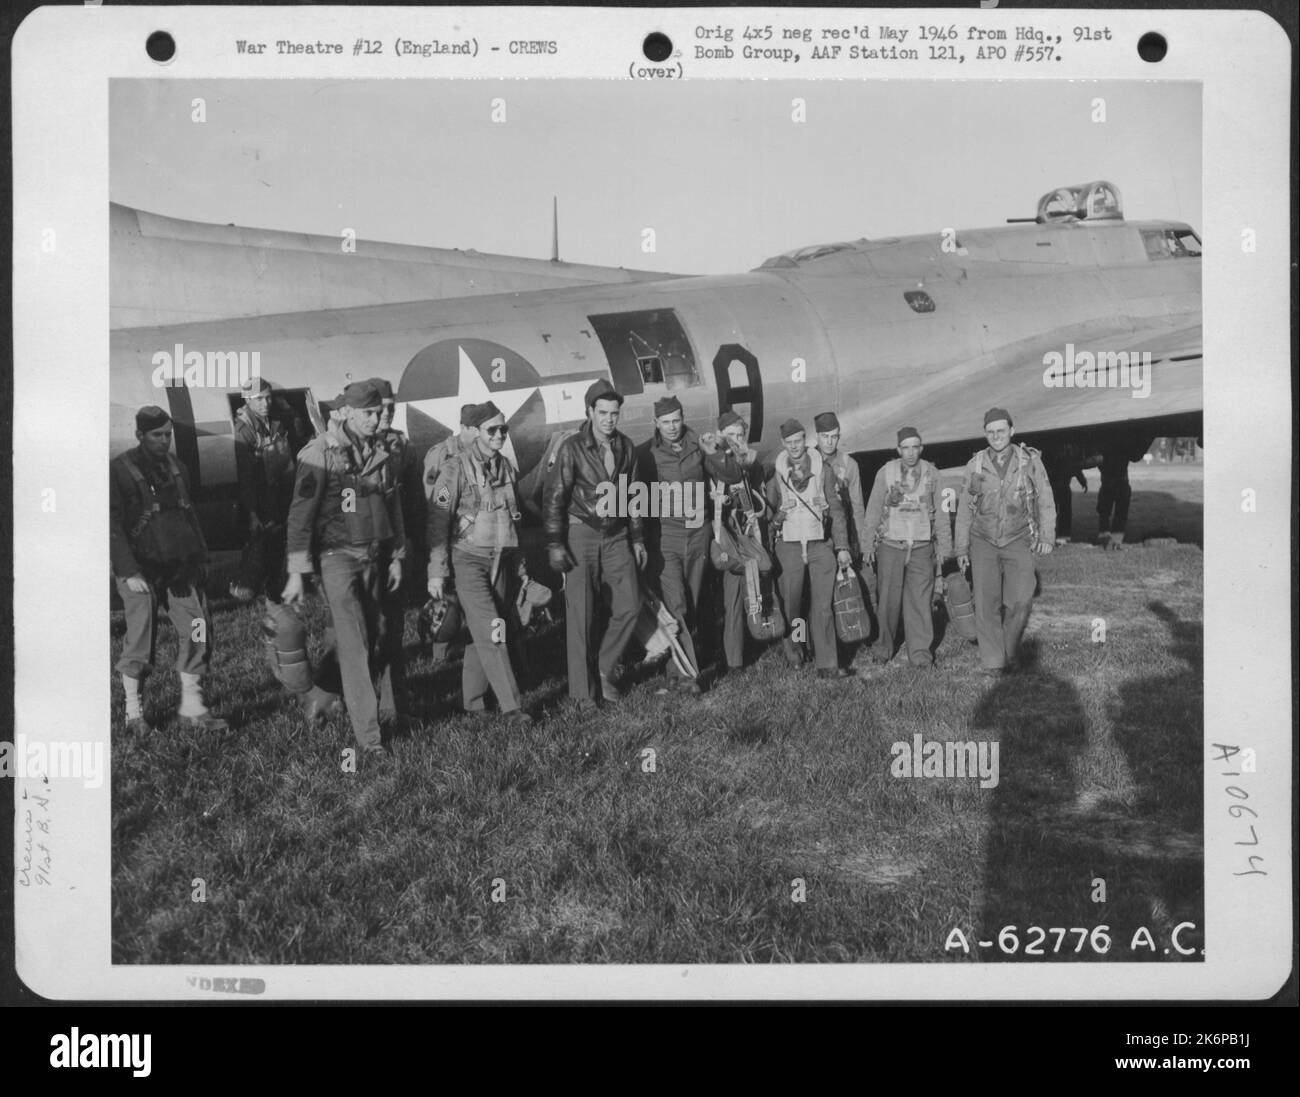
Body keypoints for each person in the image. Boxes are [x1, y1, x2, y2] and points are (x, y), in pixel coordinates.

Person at [283, 380, 406, 764]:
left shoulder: (382, 449)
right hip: (336, 558)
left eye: (379, 412)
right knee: (355, 645)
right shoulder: (319, 454)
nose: (377, 419)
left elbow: (393, 506)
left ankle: (320, 695)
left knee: (379, 636)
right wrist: (297, 571)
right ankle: (370, 740)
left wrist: (398, 555)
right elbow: (299, 518)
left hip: (374, 555)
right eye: (368, 413)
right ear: (348, 412)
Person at [110, 406, 227, 733]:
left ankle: (192, 706)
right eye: (156, 435)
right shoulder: (119, 471)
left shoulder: (178, 468)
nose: (163, 441)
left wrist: (200, 556)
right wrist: (128, 571)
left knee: (198, 625)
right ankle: (134, 714)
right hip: (139, 570)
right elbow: (112, 525)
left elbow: (189, 514)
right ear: (139, 435)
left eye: (167, 435)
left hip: (178, 565)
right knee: (141, 636)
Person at [543, 378, 647, 706]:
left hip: (616, 535)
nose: (609, 419)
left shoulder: (627, 447)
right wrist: (555, 543)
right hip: (581, 534)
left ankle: (602, 669)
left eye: (614, 413)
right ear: (589, 412)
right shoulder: (572, 447)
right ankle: (583, 695)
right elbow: (554, 497)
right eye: (602, 413)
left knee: (631, 602)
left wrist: (638, 538)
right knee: (581, 615)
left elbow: (633, 496)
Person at [427, 402, 531, 724]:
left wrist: (521, 566)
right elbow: (437, 523)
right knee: (493, 629)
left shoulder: (506, 468)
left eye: (504, 429)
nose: (500, 434)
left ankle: (472, 703)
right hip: (468, 560)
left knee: (482, 631)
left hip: (501, 559)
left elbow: (515, 517)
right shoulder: (454, 470)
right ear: (477, 434)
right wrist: (437, 571)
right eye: (493, 430)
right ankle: (513, 707)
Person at [954, 407, 1056, 675]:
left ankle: (1010, 652)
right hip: (983, 540)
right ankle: (992, 661)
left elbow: (1045, 499)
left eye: (1001, 430)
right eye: (991, 432)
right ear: (985, 434)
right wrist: (961, 547)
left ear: (1012, 431)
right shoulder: (975, 465)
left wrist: (1047, 535)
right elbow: (964, 509)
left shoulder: (1029, 460)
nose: (996, 436)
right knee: (987, 602)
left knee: (1021, 598)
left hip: (1017, 537)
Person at [764, 418, 853, 680]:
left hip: (818, 544)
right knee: (792, 606)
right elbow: (768, 517)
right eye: (789, 442)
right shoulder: (776, 472)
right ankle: (796, 651)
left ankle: (827, 662)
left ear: (806, 439)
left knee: (823, 606)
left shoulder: (822, 467)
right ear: (783, 443)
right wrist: (781, 514)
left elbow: (836, 511)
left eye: (798, 441)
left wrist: (842, 546)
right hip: (789, 546)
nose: (794, 447)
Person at [862, 426, 953, 667]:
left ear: (921, 448)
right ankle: (883, 648)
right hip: (891, 545)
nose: (910, 453)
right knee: (888, 602)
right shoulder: (886, 472)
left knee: (920, 602)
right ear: (898, 449)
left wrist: (944, 547)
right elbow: (872, 509)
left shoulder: (934, 474)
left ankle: (920, 653)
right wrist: (867, 544)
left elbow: (943, 514)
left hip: (922, 547)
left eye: (915, 447)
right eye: (905, 448)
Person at [635, 395, 707, 696]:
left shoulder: (700, 445)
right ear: (656, 423)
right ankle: (689, 676)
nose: (672, 427)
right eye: (665, 422)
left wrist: (718, 454)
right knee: (675, 603)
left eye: (676, 420)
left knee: (692, 602)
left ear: (683, 417)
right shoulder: (645, 454)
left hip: (699, 533)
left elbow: (724, 476)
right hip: (667, 538)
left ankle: (675, 674)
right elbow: (635, 497)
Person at [700, 411, 767, 674]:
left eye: (741, 435)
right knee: (732, 596)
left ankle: (755, 639)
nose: (737, 440)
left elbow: (758, 492)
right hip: (724, 537)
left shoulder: (748, 463)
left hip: (747, 533)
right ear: (721, 436)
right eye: (731, 436)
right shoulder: (714, 461)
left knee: (750, 589)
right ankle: (734, 659)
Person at [420, 404, 478, 661]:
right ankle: (440, 651)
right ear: (463, 427)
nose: (479, 434)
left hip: (473, 538)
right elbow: (436, 502)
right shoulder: (443, 455)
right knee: (444, 602)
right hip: (449, 535)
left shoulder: (482, 452)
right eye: (474, 428)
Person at [230, 377, 296, 603]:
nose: (265, 404)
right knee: (263, 549)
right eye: (259, 399)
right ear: (247, 400)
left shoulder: (275, 422)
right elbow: (246, 478)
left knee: (277, 546)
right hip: (260, 499)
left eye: (268, 398)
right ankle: (258, 590)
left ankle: (275, 592)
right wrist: (252, 514)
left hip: (278, 494)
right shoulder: (244, 430)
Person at [1095, 442, 1148, 549]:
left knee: (1105, 512)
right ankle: (1114, 541)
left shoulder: (1104, 444)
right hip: (1118, 482)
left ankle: (1108, 538)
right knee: (1117, 513)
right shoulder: (1124, 443)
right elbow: (1136, 456)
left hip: (1109, 482)